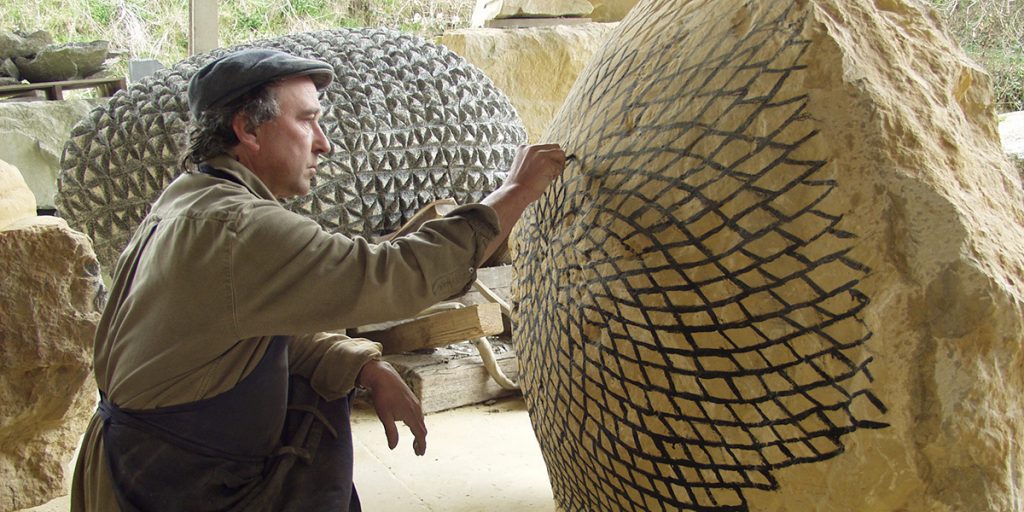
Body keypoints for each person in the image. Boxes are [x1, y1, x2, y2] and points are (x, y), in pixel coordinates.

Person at [70, 48, 565, 511]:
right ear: (248, 129)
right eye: (307, 120)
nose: (324, 144)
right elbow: (391, 276)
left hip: (143, 462)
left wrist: (362, 366)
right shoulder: (239, 230)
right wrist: (515, 192)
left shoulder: (191, 198)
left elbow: (245, 329)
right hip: (166, 484)